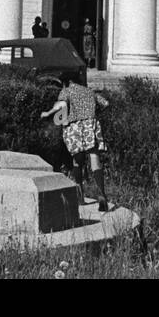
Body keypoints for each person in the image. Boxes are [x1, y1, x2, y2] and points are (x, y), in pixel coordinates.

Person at [40, 72, 111, 212]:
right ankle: (102, 195)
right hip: (91, 124)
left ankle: (80, 197)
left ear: (67, 82)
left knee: (77, 161)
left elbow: (60, 105)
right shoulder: (89, 91)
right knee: (95, 159)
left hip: (74, 128)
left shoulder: (66, 91)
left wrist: (47, 113)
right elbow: (106, 104)